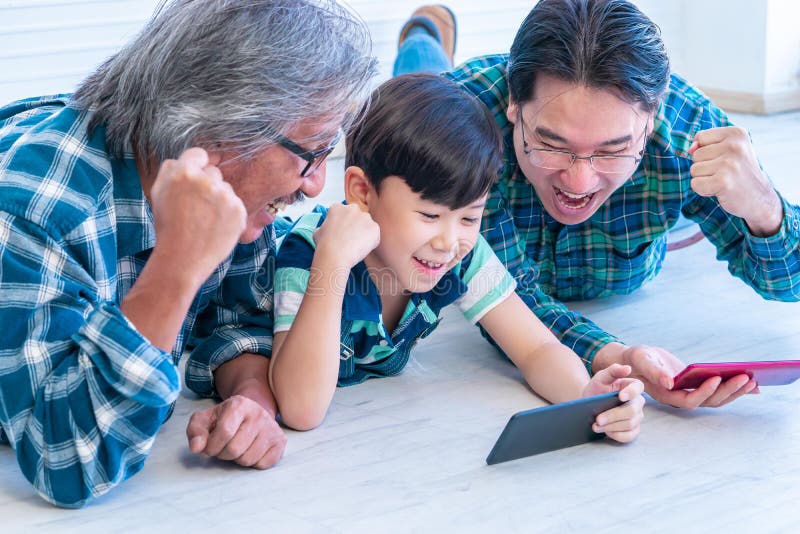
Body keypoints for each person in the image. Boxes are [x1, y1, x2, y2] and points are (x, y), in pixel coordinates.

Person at [0, 0, 376, 508]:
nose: (313, 187)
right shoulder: (41, 211)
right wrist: (177, 264)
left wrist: (250, 398)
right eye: (311, 154)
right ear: (218, 135)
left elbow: (232, 316)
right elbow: (66, 460)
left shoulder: (222, 187)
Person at [394, 1, 800, 410]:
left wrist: (765, 206)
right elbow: (511, 303)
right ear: (514, 104)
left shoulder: (689, 136)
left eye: (613, 150)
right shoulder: (465, 125)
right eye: (552, 144)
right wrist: (619, 358)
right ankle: (425, 34)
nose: (579, 183)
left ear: (651, 120)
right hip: (434, 105)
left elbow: (788, 284)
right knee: (414, 92)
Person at [268, 74, 645, 442]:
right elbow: (301, 409)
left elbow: (536, 348)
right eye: (429, 215)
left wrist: (586, 397)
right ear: (362, 193)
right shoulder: (313, 251)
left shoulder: (460, 251)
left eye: (469, 216)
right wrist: (331, 265)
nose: (448, 241)